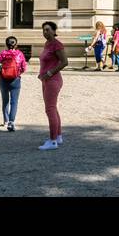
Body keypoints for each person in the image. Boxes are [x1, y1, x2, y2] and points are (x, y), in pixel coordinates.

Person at [37, 20, 68, 150]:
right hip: (46, 80)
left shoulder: (56, 44)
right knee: (53, 108)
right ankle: (58, 136)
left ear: (54, 31)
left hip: (53, 81)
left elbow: (64, 62)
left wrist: (49, 73)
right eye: (44, 30)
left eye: (48, 29)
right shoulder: (47, 44)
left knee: (49, 109)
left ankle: (53, 140)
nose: (45, 32)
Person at [0, 35, 27, 130]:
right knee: (14, 101)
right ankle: (11, 122)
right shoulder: (19, 54)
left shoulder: (2, 54)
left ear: (6, 44)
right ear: (16, 44)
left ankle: (5, 120)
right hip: (15, 80)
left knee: (5, 101)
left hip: (3, 80)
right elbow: (24, 68)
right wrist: (16, 72)